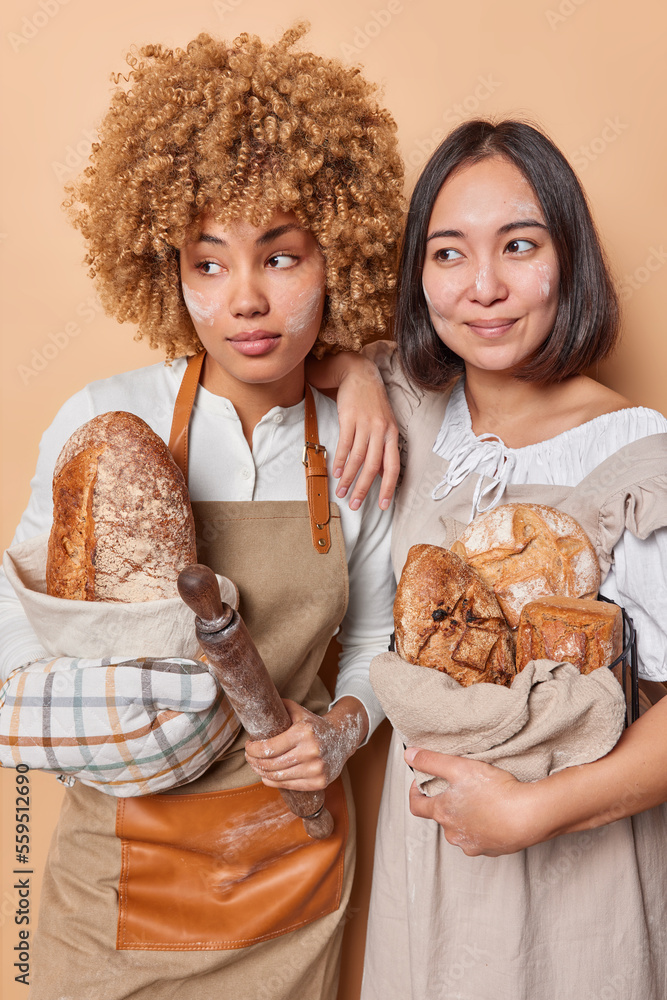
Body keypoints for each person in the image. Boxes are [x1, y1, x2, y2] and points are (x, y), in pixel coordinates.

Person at [0, 24, 405, 999]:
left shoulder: (359, 438)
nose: (248, 301)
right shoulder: (107, 418)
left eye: (282, 256)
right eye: (209, 262)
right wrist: (143, 724)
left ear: (335, 255)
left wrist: (342, 729)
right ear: (164, 269)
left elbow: (380, 635)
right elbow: (19, 632)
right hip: (121, 889)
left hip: (290, 882)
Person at [314, 119, 667, 1000]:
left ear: (569, 259)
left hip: (575, 872)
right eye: (447, 253)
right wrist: (355, 373)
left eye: (518, 245)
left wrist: (527, 812)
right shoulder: (415, 405)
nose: (483, 287)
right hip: (425, 868)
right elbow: (304, 348)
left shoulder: (636, 457)